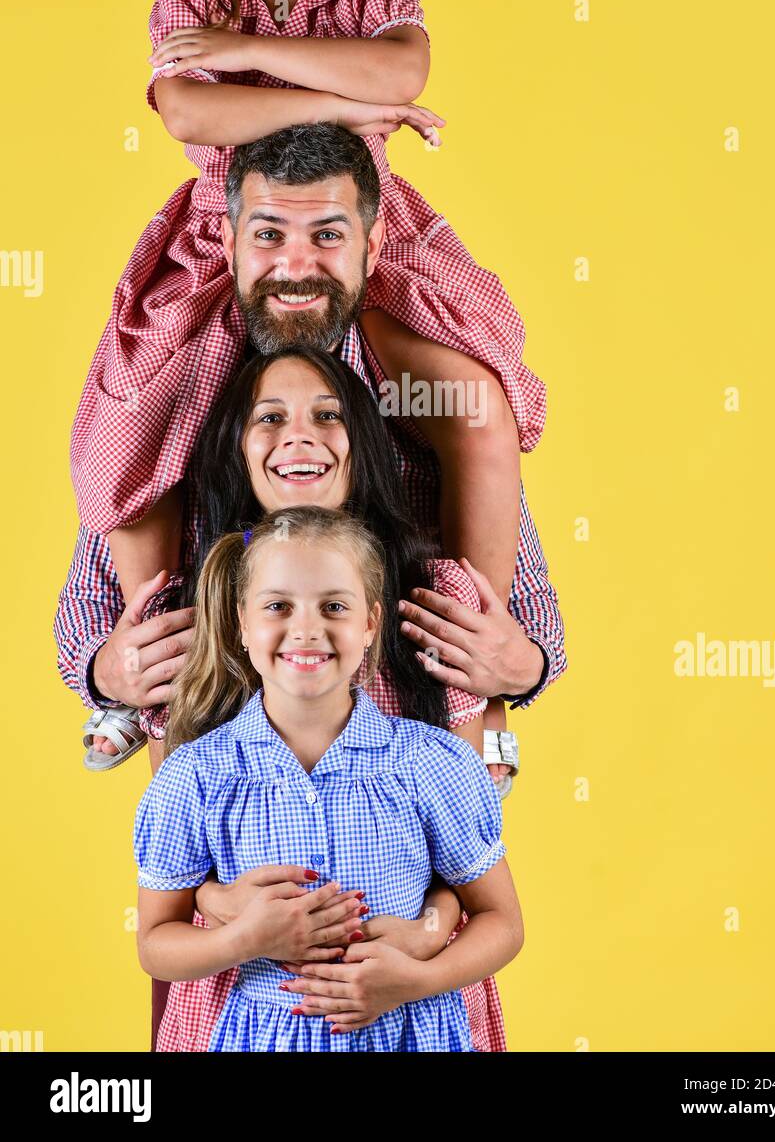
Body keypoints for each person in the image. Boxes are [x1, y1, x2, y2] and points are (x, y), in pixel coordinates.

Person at [70, 0, 546, 756]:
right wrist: (342, 111)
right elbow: (193, 115)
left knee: (480, 402)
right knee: (131, 417)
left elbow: (399, 74)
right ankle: (141, 687)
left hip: (380, 249)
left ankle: (474, 695)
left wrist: (520, 665)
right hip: (211, 246)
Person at [57, 346, 563, 1050]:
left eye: (328, 415)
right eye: (270, 418)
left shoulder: (427, 601)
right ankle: (119, 721)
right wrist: (103, 673)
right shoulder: (191, 620)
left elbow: (481, 893)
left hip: (409, 1003)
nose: (299, 435)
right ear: (238, 619)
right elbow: (165, 918)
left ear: (370, 620)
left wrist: (520, 669)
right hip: (245, 1011)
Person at [60, 124, 565, 785]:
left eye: (327, 236)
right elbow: (90, 601)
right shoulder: (179, 400)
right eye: (269, 235)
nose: (296, 267)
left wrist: (514, 670)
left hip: (403, 802)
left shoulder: (423, 403)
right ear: (228, 244)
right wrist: (110, 670)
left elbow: (529, 614)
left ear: (372, 245)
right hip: (235, 814)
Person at [135, 507, 524, 1051]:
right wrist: (245, 939)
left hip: (412, 1032)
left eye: (334, 606)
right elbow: (155, 943)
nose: (307, 629)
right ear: (243, 623)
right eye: (278, 606)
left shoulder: (432, 764)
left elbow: (501, 920)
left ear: (369, 623)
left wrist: (419, 979)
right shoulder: (196, 776)